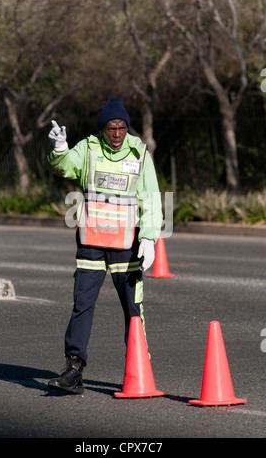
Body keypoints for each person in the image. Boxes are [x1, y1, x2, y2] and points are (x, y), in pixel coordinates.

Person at [46, 97, 163, 394]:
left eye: (122, 127)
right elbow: (65, 168)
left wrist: (149, 237)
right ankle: (74, 369)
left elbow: (151, 196)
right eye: (111, 128)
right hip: (92, 243)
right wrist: (60, 150)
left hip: (127, 245)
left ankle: (139, 368)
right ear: (102, 129)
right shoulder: (88, 148)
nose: (117, 134)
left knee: (132, 308)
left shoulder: (138, 151)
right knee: (82, 305)